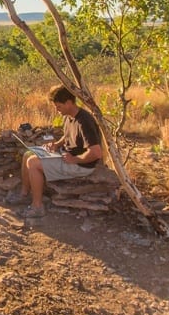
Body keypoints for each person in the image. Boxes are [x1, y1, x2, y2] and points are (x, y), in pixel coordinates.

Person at [8, 85, 102, 218]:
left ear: (69, 103)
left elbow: (96, 153)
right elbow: (69, 135)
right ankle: (24, 194)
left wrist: (75, 159)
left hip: (81, 165)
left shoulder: (84, 121)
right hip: (67, 156)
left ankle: (37, 206)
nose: (57, 110)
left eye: (59, 106)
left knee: (33, 163)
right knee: (27, 154)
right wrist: (57, 145)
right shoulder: (69, 116)